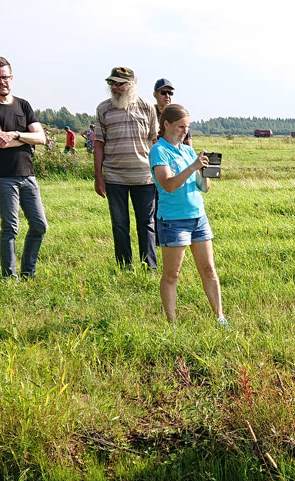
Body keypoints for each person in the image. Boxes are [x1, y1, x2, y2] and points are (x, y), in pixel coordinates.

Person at [151, 104, 224, 326]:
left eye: (188, 127)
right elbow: (168, 185)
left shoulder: (187, 150)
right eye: (181, 126)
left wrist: (204, 172)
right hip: (174, 221)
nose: (185, 131)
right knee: (172, 274)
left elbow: (204, 188)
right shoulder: (159, 150)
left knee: (209, 269)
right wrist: (192, 167)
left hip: (198, 217)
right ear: (166, 124)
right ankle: (171, 322)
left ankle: (220, 317)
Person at [0, 56, 48, 278]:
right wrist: (26, 137)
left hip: (27, 174)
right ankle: (10, 277)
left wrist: (16, 134)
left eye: (5, 77)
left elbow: (42, 138)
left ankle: (29, 271)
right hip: (2, 176)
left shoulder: (23, 105)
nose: (2, 81)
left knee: (39, 225)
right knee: (11, 228)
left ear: (12, 78)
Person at [92, 66, 161, 270]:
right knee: (120, 226)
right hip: (114, 178)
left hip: (144, 177)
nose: (115, 88)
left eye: (120, 84)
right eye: (111, 83)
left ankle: (150, 268)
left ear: (132, 85)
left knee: (147, 224)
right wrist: (98, 176)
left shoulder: (147, 108)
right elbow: (98, 143)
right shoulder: (103, 109)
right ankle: (125, 268)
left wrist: (160, 173)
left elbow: (154, 141)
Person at [152, 79, 191, 145]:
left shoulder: (178, 113)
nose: (167, 96)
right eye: (163, 93)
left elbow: (187, 140)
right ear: (155, 94)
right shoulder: (150, 113)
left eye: (170, 93)